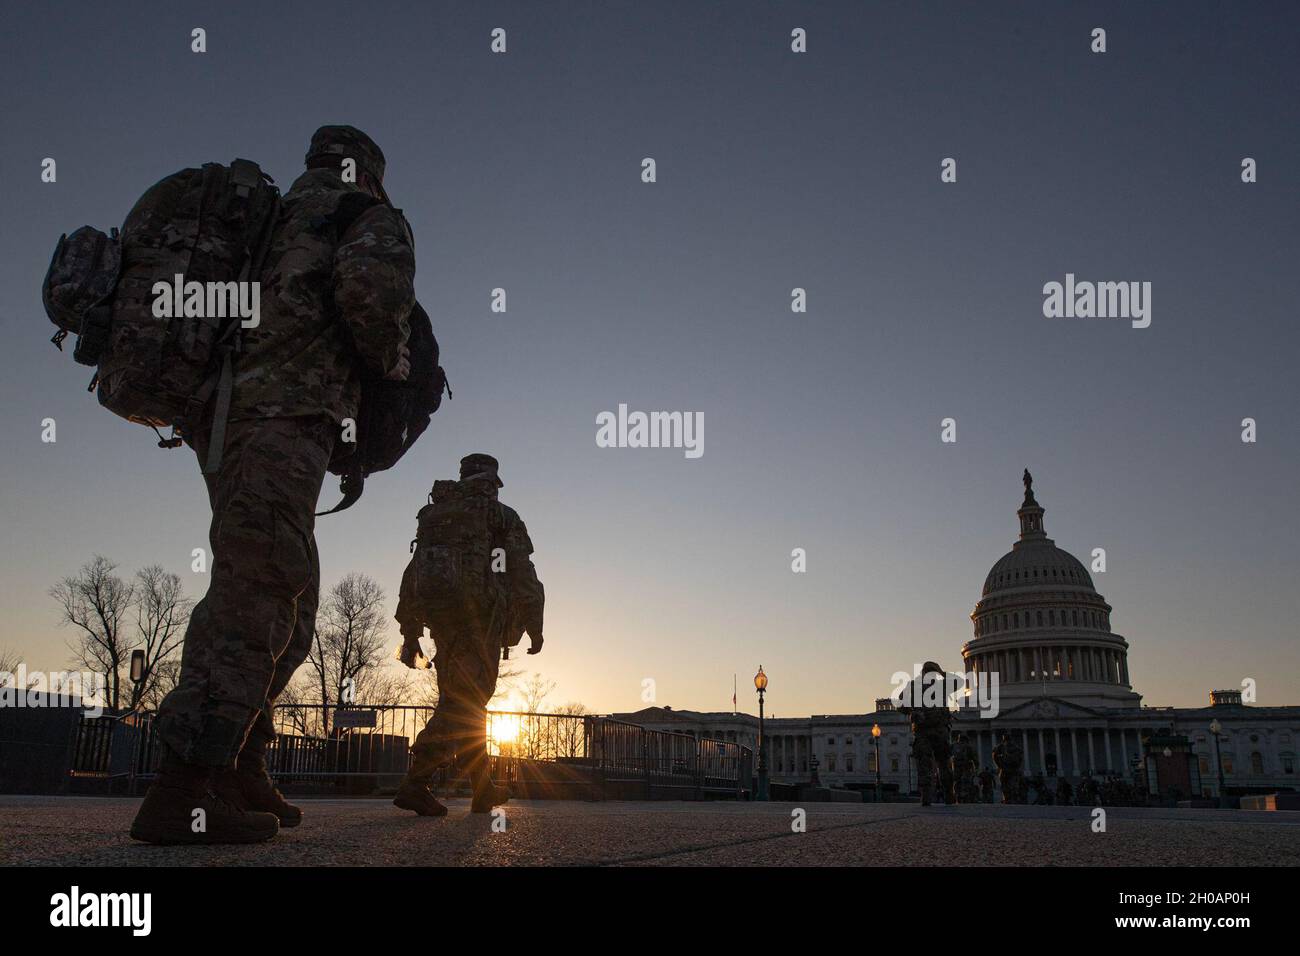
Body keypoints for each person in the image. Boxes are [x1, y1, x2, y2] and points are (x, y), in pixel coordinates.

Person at [130, 126, 415, 845]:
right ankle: (184, 787)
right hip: (284, 413)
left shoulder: (275, 216)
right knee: (259, 587)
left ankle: (241, 765)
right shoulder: (360, 215)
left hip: (228, 415)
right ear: (372, 172)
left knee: (293, 595)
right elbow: (373, 305)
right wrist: (395, 370)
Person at [393, 454, 545, 816]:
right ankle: (416, 782)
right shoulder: (500, 516)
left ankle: (483, 789)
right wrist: (534, 623)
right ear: (492, 483)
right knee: (464, 705)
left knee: (466, 702)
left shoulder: (436, 514)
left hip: (442, 623)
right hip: (481, 621)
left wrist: (411, 632)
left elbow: (412, 575)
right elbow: (522, 571)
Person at [899, 662, 956, 806]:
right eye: (928, 671)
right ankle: (926, 795)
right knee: (925, 763)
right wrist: (911, 711)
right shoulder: (913, 686)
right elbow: (900, 704)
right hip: (923, 731)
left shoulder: (942, 685)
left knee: (943, 763)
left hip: (939, 730)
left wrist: (942, 672)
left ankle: (949, 794)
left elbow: (958, 683)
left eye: (933, 672)